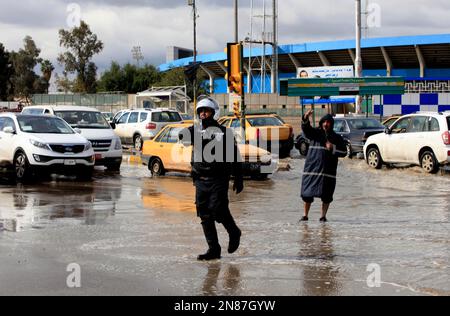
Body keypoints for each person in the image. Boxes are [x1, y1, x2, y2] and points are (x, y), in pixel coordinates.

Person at [179, 96, 244, 261]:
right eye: (200, 111)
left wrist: (239, 178)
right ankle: (213, 249)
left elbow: (235, 156)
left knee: (218, 210)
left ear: (213, 113)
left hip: (219, 179)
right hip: (200, 179)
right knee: (204, 214)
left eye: (206, 111)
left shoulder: (224, 132)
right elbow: (182, 137)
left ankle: (234, 232)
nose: (203, 114)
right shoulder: (196, 131)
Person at [300, 110, 347, 222]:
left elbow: (344, 152)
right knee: (307, 194)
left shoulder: (336, 138)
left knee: (326, 195)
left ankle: (323, 216)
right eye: (324, 122)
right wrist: (305, 118)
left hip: (328, 173)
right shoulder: (314, 133)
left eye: (328, 122)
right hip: (312, 170)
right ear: (321, 123)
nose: (326, 124)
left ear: (331, 124)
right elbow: (306, 129)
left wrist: (333, 148)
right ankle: (305, 216)